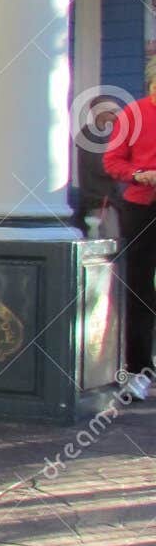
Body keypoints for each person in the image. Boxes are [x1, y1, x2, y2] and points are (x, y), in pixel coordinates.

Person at [102, 70, 156, 399]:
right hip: (142, 207)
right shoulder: (134, 114)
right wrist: (140, 174)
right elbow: (112, 161)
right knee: (138, 288)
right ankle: (138, 370)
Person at [73, 92, 124, 241]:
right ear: (100, 113)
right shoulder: (90, 137)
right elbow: (101, 167)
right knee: (108, 242)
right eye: (114, 112)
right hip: (100, 202)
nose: (119, 116)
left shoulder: (108, 135)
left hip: (111, 201)